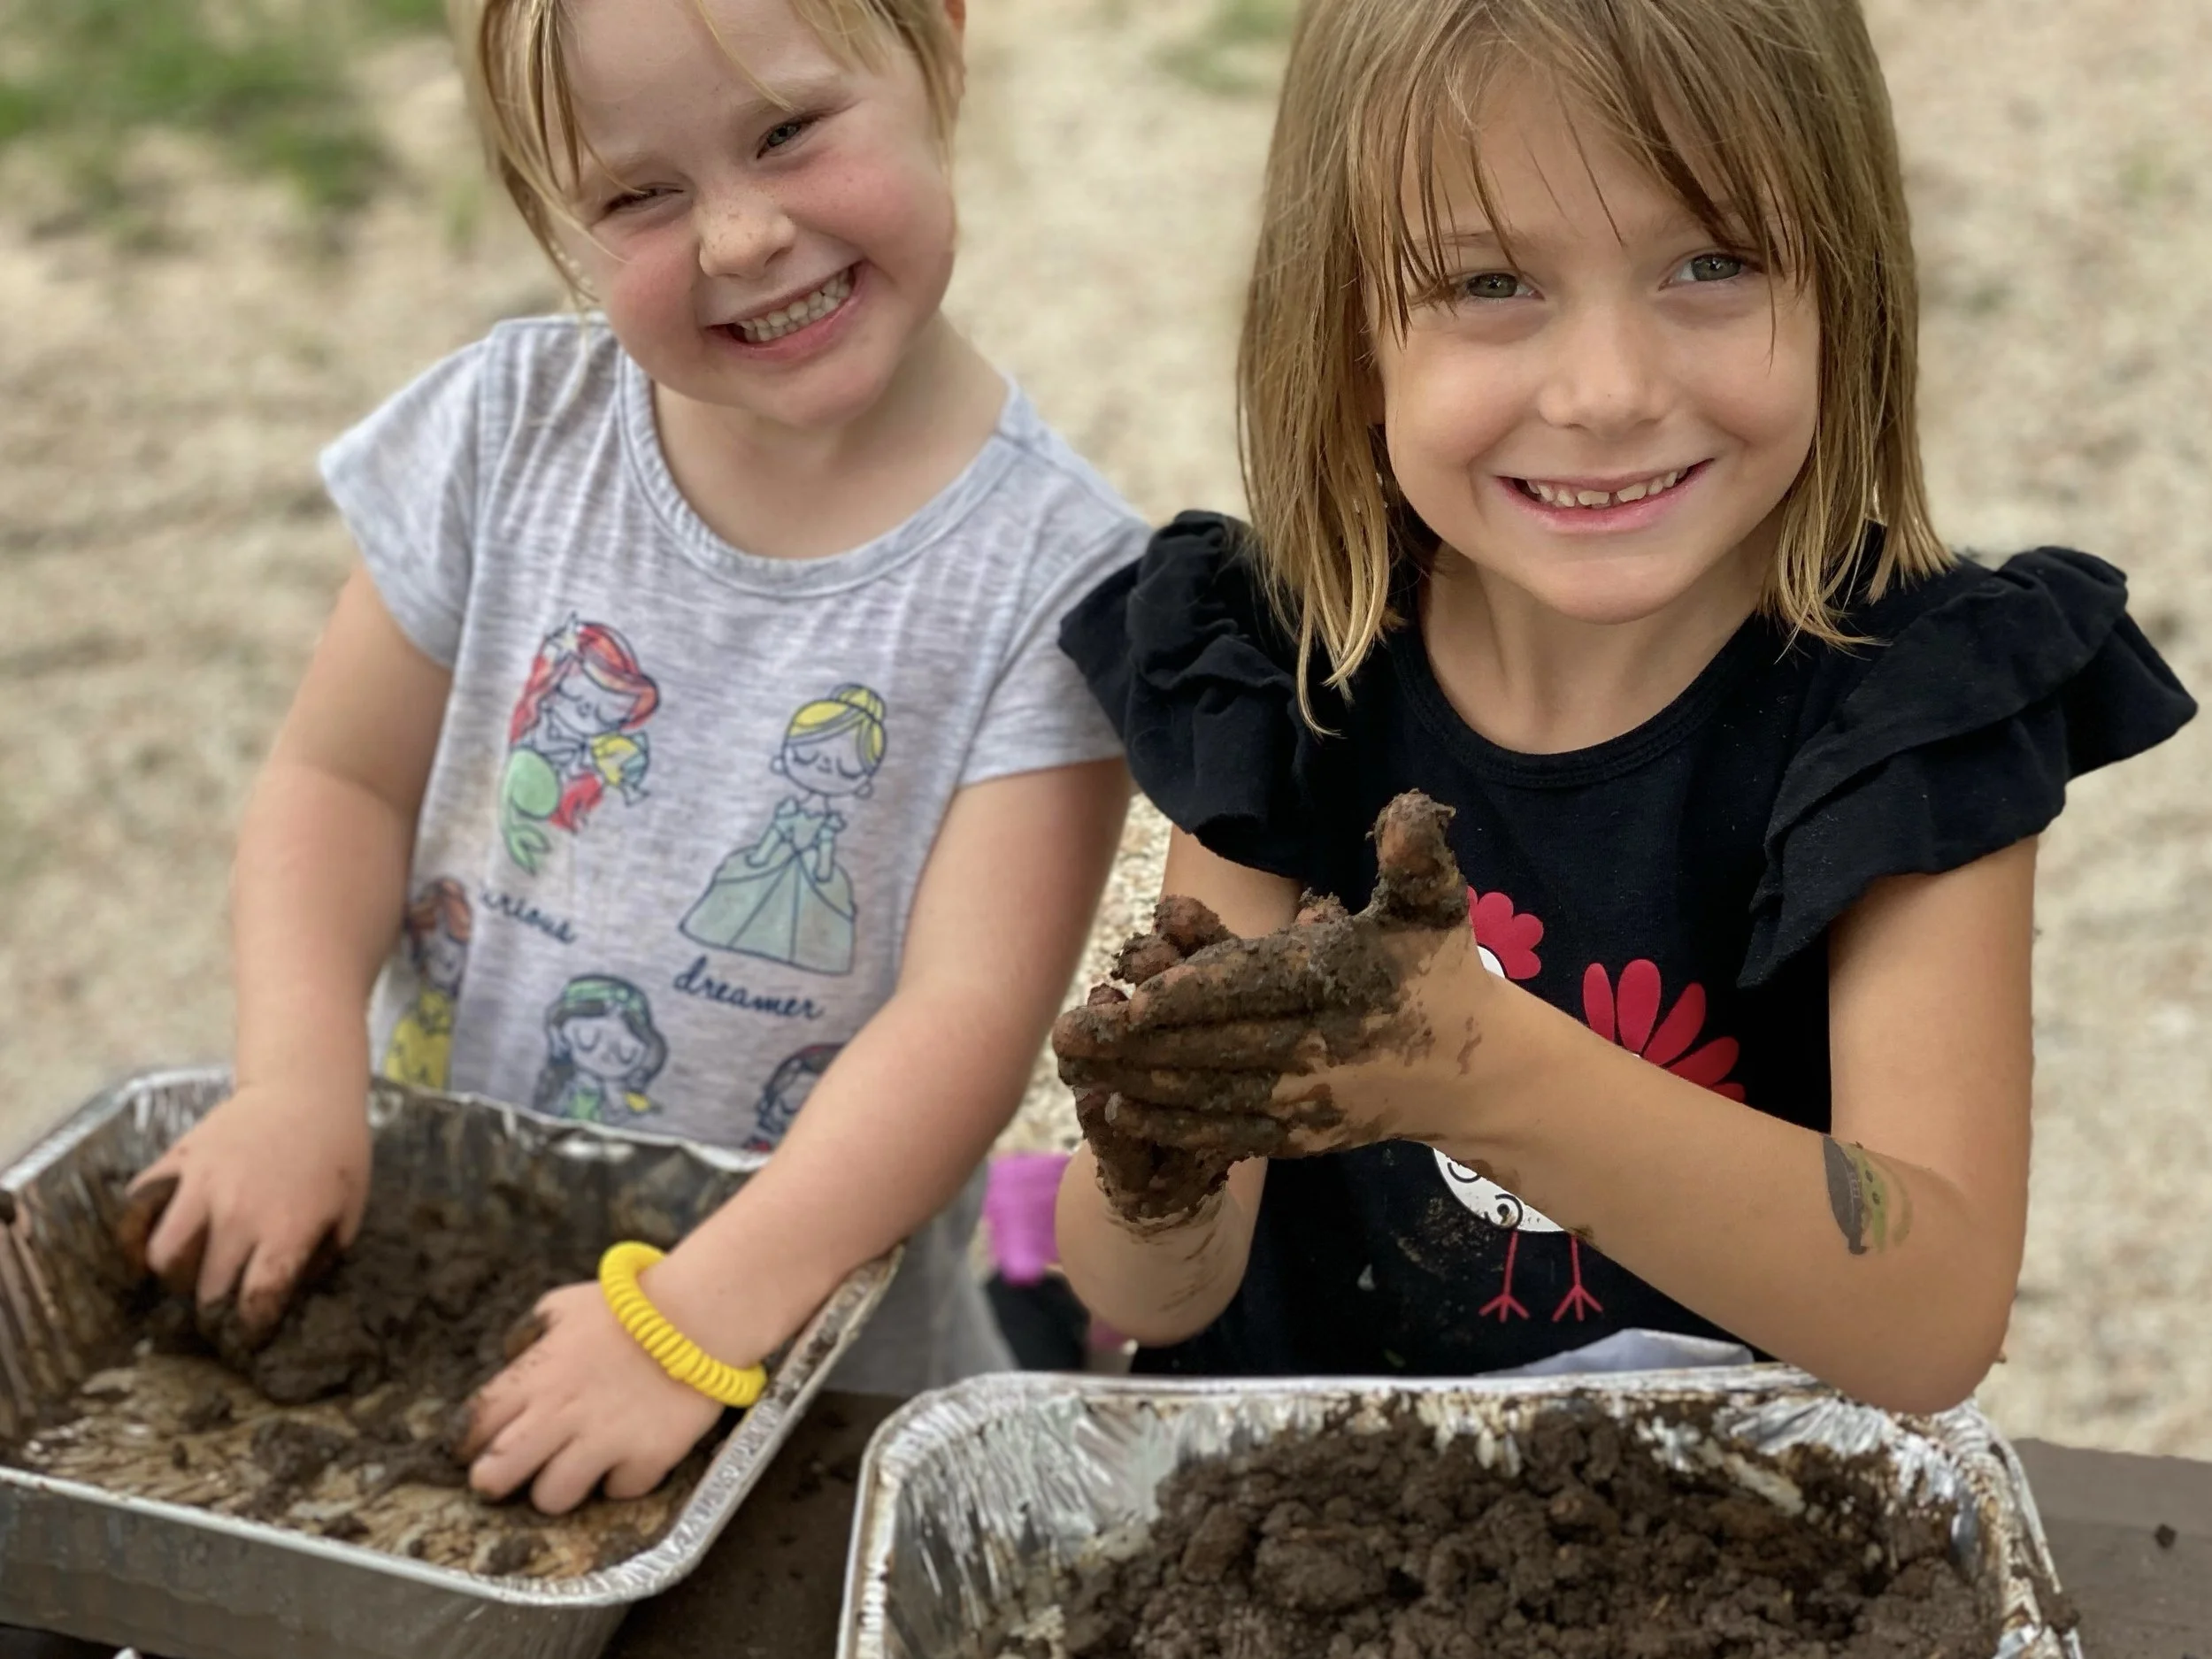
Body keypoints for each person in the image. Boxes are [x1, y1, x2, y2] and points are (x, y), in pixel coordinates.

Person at [1052, 0, 2195, 1412]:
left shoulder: (1910, 706)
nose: (1608, 391)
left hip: (1725, 1520)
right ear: (1349, 333)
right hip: (1309, 1513)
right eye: (1489, 284)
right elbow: (1149, 1293)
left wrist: (1475, 1066)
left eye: (1712, 262)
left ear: (1850, 291)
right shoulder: (1287, 669)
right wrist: (1156, 1149)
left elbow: (1932, 1316)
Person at [125, 0, 1141, 1513]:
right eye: (636, 194)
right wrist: (292, 1081)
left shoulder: (1057, 581)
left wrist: (690, 1327)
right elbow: (339, 784)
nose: (739, 235)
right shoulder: (502, 433)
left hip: (795, 1353)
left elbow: (966, 1021)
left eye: (789, 132)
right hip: (428, 1252)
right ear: (554, 217)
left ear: (937, 41)